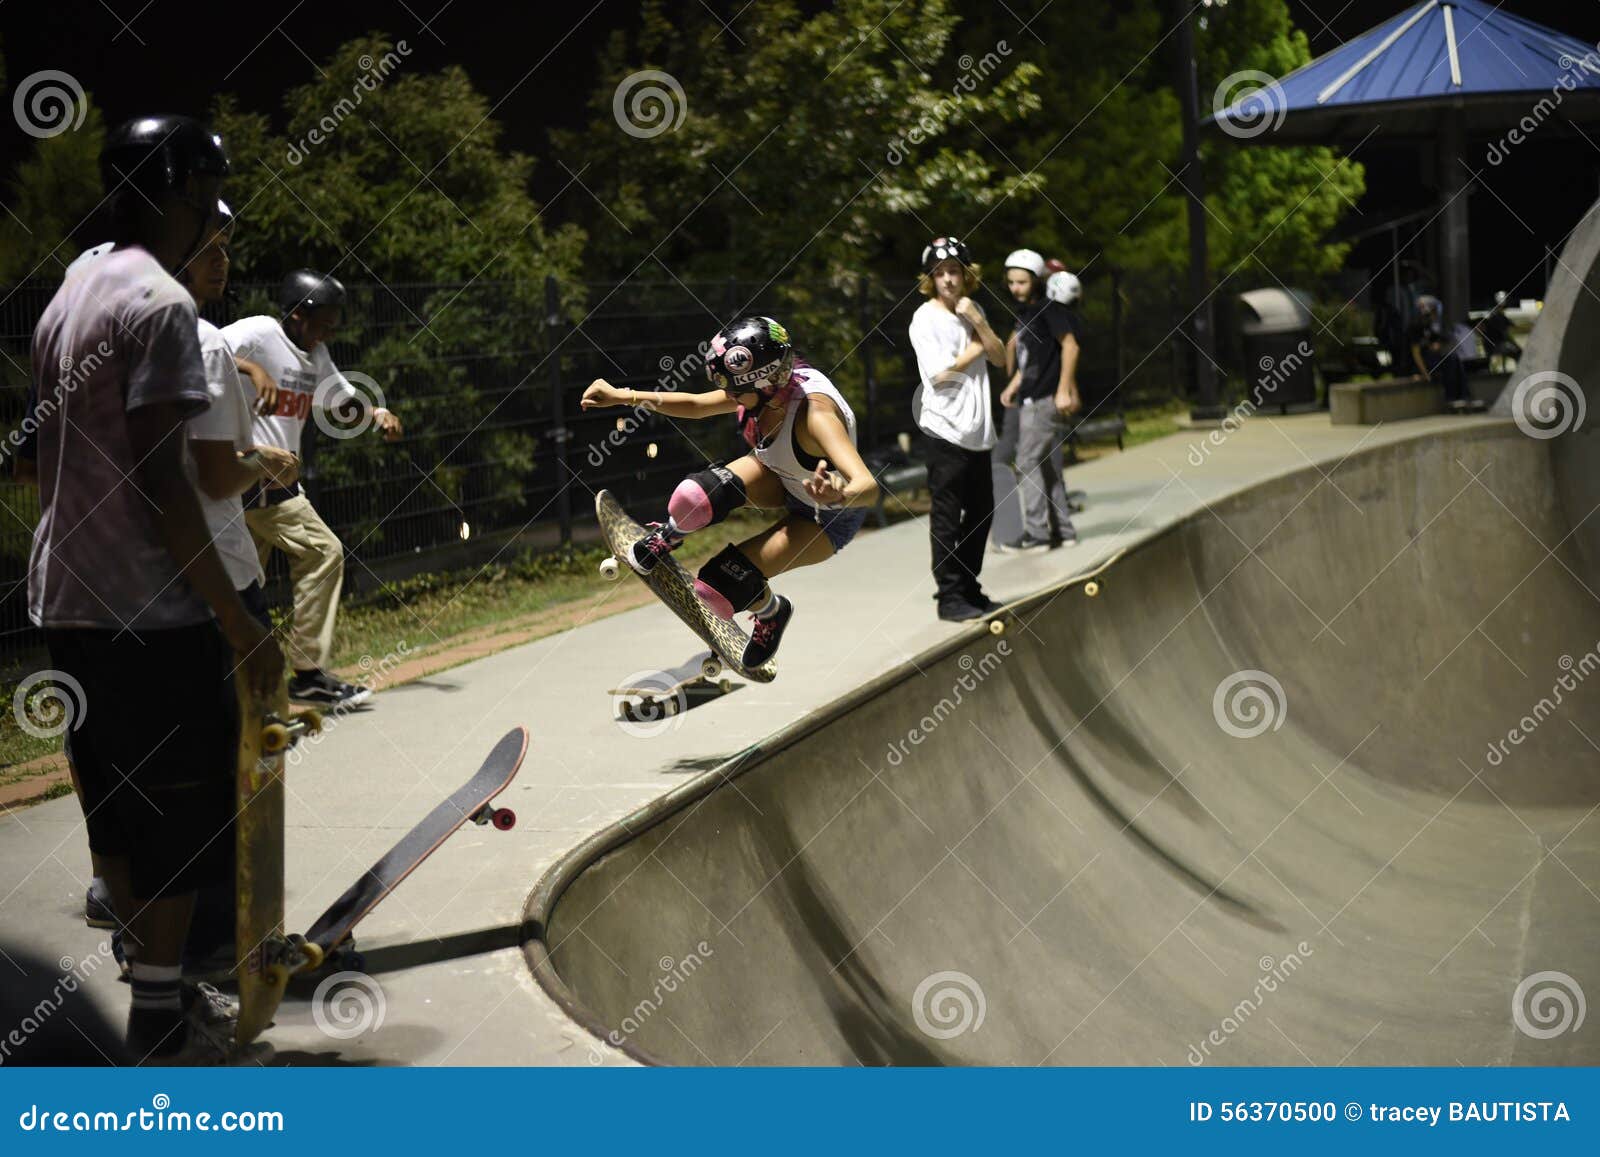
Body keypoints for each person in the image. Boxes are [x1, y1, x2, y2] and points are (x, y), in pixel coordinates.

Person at [20, 114, 281, 1064]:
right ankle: (165, 1018)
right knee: (181, 802)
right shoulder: (162, 304)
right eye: (200, 209)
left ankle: (152, 990)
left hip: (65, 594)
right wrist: (236, 621)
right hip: (146, 603)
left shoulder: (73, 285)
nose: (203, 230)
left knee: (114, 797)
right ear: (172, 201)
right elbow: (171, 483)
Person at [580, 316, 878, 667]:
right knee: (691, 497)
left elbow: (868, 486)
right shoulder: (767, 388)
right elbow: (698, 405)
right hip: (781, 478)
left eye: (736, 390)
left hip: (823, 518)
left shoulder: (815, 417)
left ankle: (771, 612)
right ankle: (669, 535)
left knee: (716, 590)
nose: (731, 396)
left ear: (766, 382)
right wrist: (622, 396)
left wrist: (838, 494)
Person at [222, 271, 403, 707]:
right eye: (325, 320)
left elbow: (339, 399)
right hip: (247, 480)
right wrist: (250, 368)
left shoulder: (315, 355)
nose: (330, 330)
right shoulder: (261, 332)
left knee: (244, 587)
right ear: (298, 314)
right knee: (324, 552)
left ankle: (238, 689)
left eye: (335, 322)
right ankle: (307, 674)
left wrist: (375, 412)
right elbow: (200, 352)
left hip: (270, 491)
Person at [908, 236, 1005, 621]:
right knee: (947, 517)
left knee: (982, 513)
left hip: (978, 431)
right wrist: (975, 348)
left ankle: (968, 585)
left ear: (967, 276)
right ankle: (949, 597)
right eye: (940, 273)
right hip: (945, 430)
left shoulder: (974, 309)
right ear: (931, 279)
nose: (948, 279)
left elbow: (999, 357)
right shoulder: (924, 319)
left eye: (954, 272)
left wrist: (979, 323)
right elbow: (939, 377)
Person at [997, 248, 1080, 551]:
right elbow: (1032, 358)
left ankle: (1036, 534)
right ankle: (1063, 531)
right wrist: (1014, 384)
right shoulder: (1028, 315)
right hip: (1030, 395)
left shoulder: (1050, 309)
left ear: (1036, 281)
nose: (1015, 288)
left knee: (1026, 461)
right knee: (1044, 466)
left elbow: (1070, 347)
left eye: (1021, 282)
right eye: (1011, 282)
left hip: (1045, 399)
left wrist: (1064, 389)